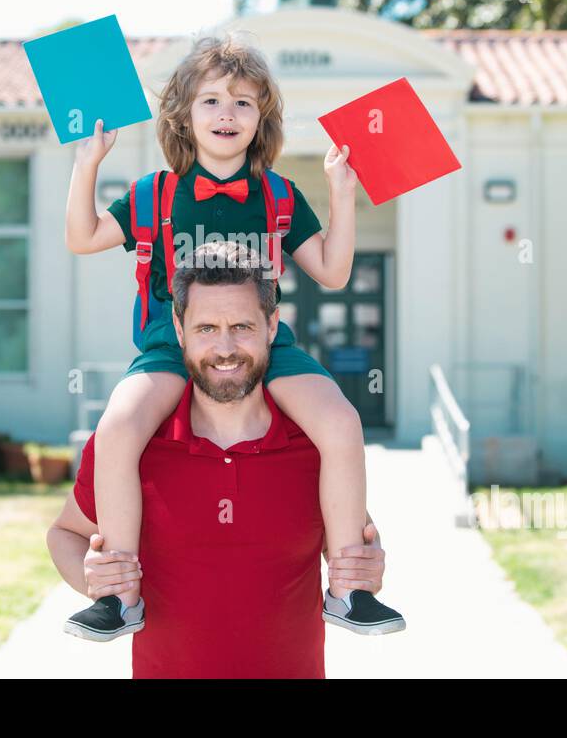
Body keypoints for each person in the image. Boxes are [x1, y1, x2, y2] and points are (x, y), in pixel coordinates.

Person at [62, 32, 405, 640]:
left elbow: (332, 269)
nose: (227, 113)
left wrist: (343, 194)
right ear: (183, 115)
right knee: (116, 428)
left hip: (266, 345)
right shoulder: (154, 193)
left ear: (262, 119)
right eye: (212, 100)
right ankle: (118, 596)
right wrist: (87, 163)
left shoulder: (277, 195)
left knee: (342, 421)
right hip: (173, 348)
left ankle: (349, 589)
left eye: (244, 102)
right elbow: (83, 237)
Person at [45, 242, 397, 677]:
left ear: (272, 326)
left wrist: (367, 564)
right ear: (179, 329)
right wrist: (96, 580)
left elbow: (350, 544)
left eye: (242, 327)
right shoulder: (132, 444)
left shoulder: (314, 443)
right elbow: (64, 533)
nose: (225, 348)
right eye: (206, 328)